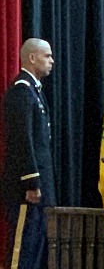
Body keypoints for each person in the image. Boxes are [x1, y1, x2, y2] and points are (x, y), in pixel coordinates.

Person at [2, 38, 55, 269]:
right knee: (23, 249)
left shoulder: (34, 90)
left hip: (38, 186)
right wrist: (31, 181)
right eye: (47, 56)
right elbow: (22, 140)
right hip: (26, 189)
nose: (52, 61)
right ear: (32, 58)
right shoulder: (21, 91)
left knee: (36, 248)